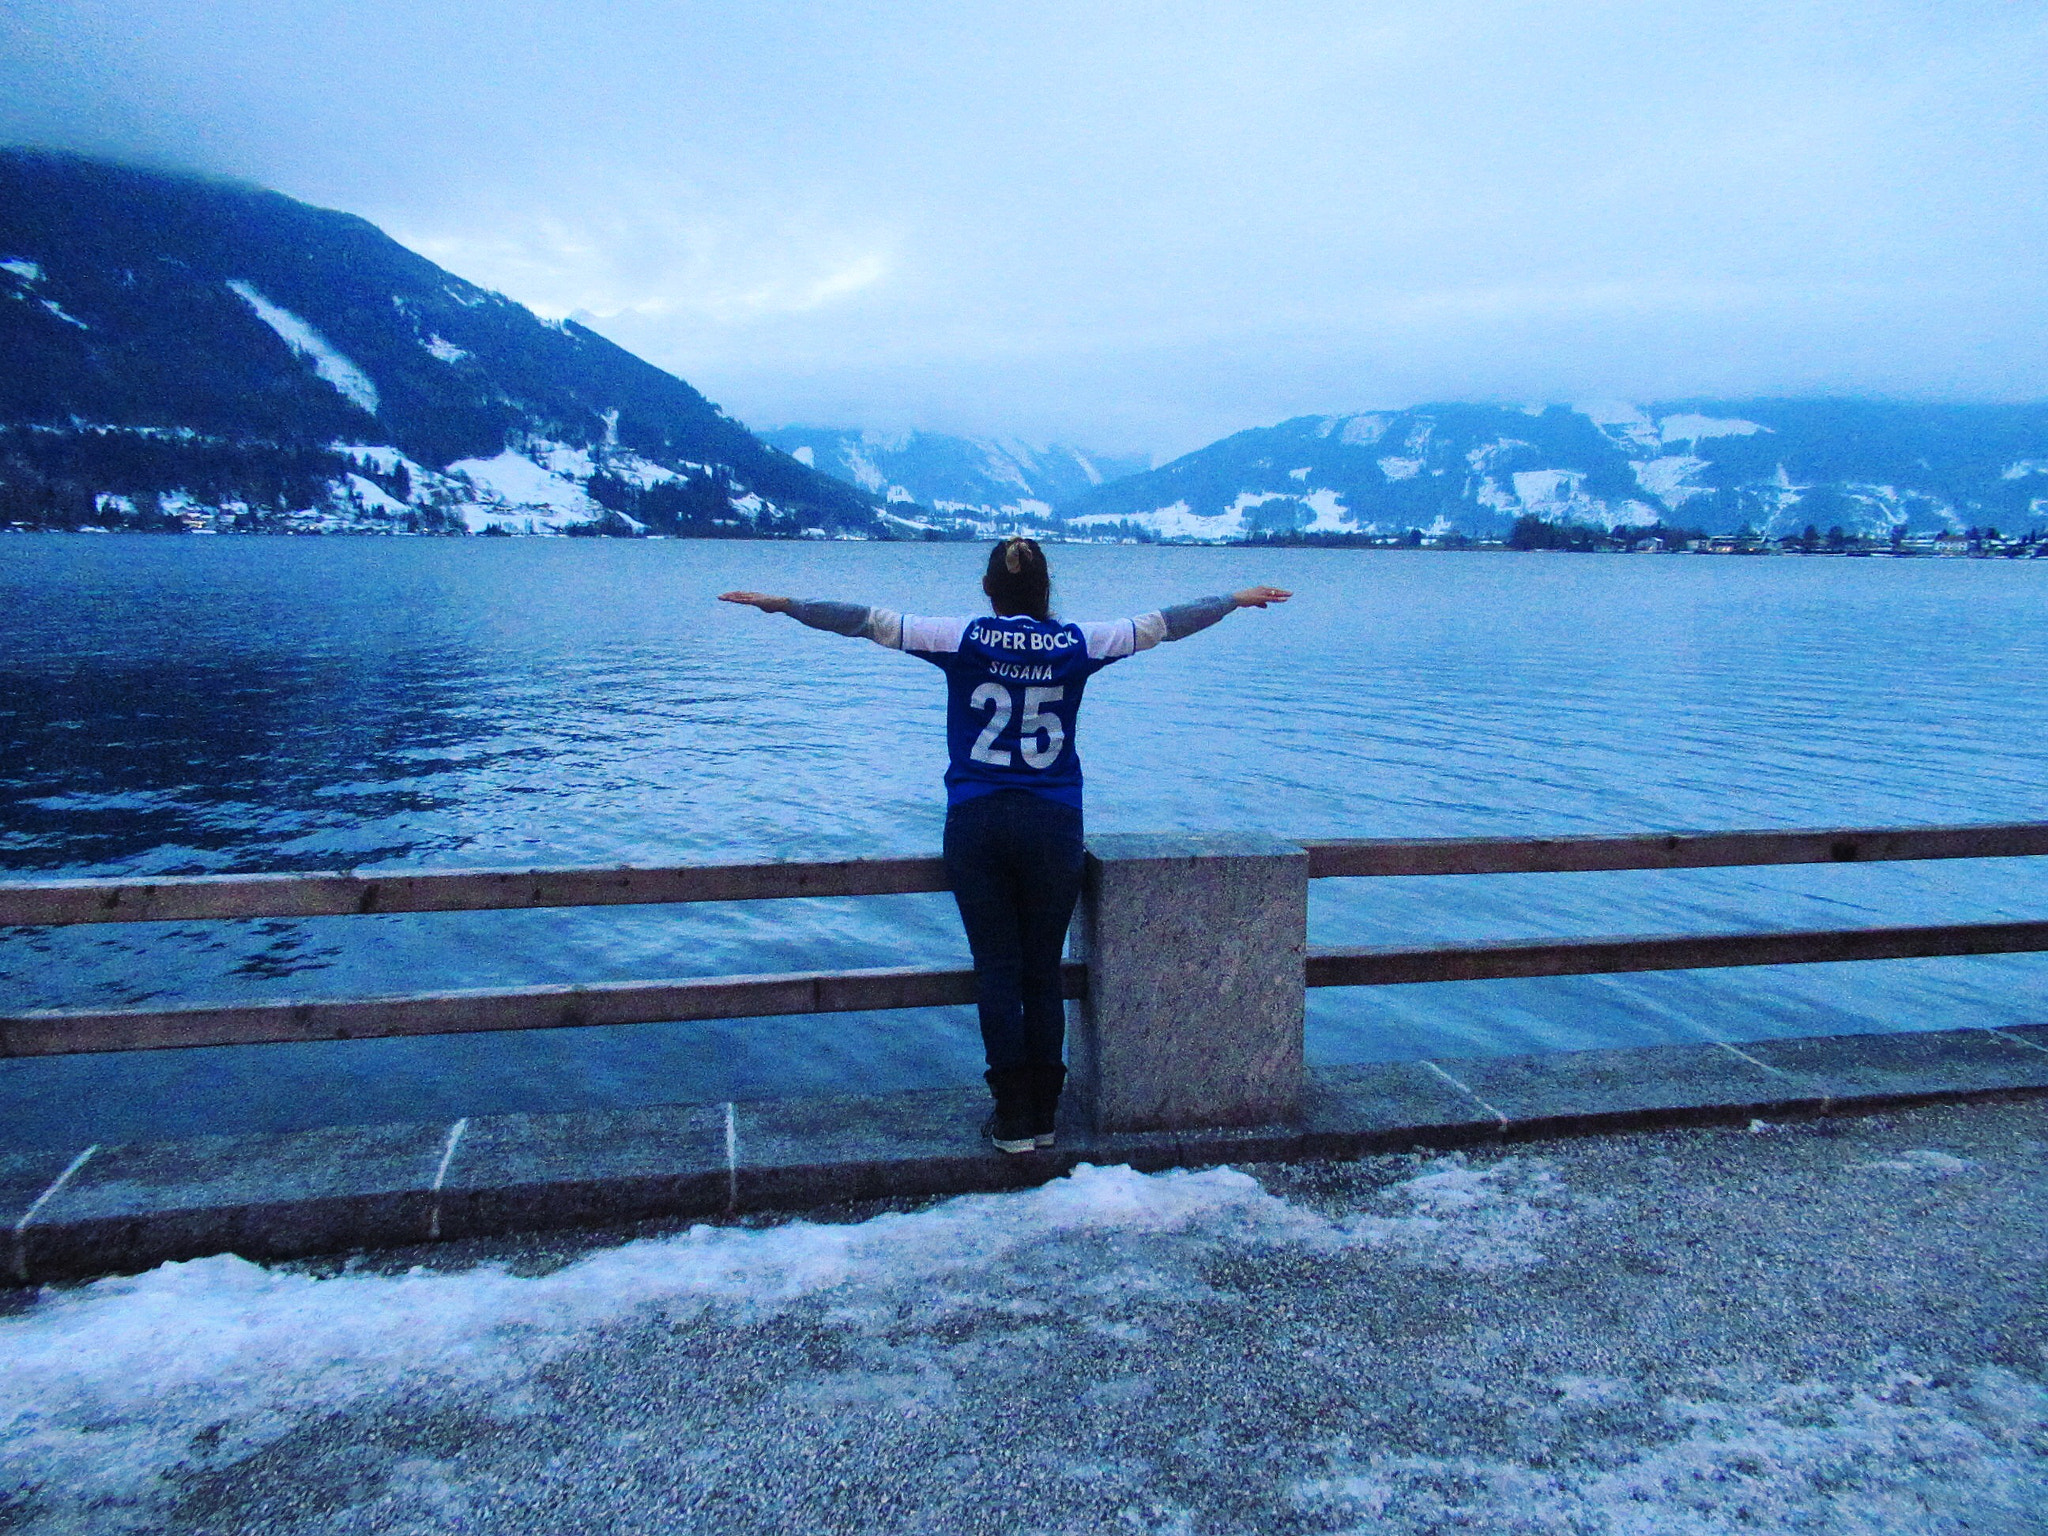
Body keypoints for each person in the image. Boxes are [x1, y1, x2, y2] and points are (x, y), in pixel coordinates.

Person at [720, 538, 1290, 1154]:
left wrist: (779, 603)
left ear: (988, 590)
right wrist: (1231, 600)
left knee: (997, 968)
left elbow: (861, 619)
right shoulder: (1079, 643)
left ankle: (1012, 1116)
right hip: (1053, 823)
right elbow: (1164, 625)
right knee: (1041, 969)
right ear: (1047, 591)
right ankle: (1044, 1112)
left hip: (978, 821)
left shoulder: (959, 638)